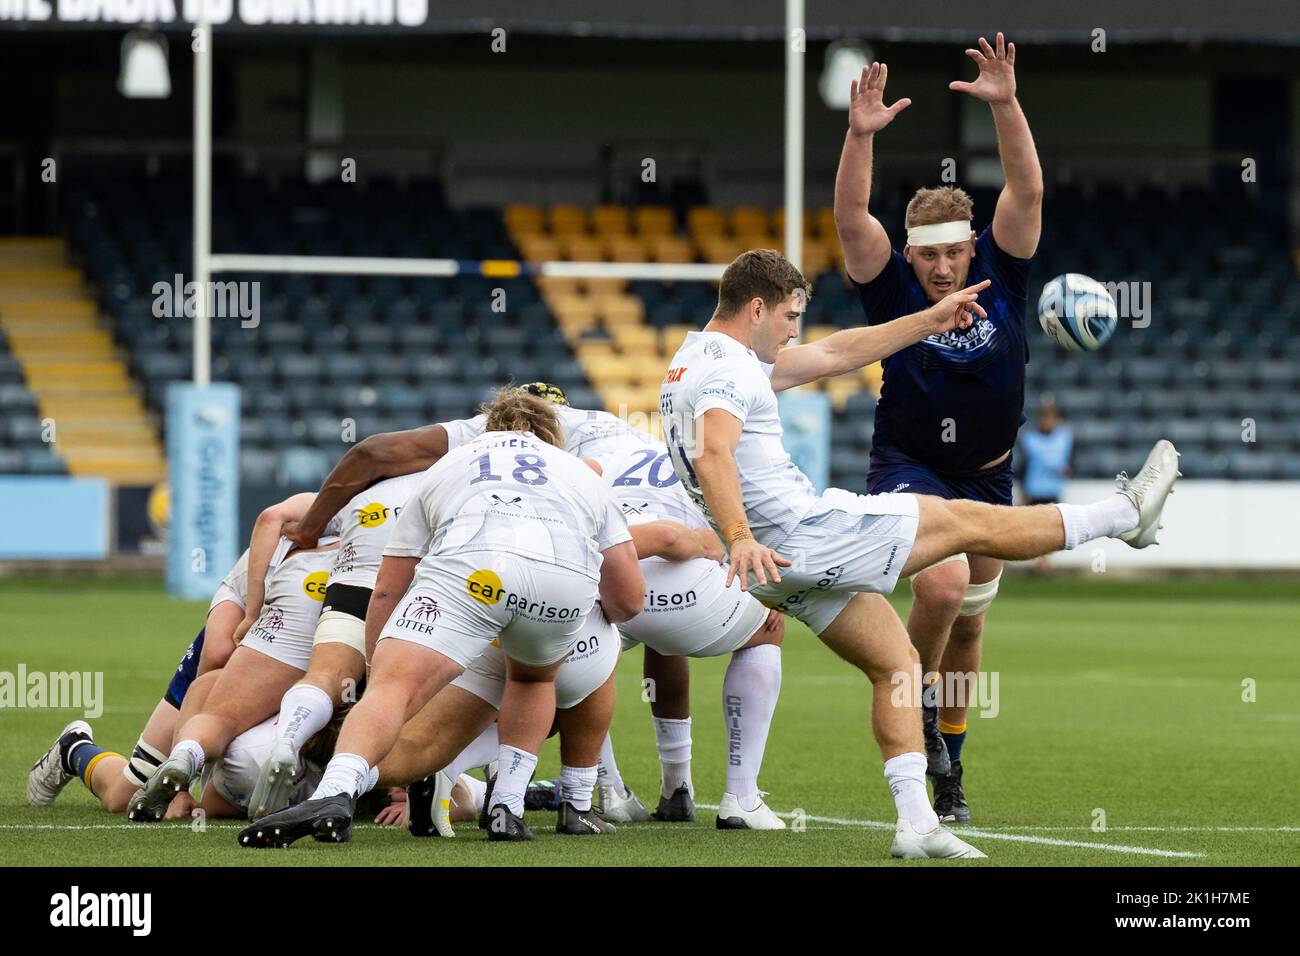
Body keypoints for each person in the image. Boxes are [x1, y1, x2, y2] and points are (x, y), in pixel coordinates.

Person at [660, 248, 1179, 859]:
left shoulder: (697, 359)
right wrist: (741, 535)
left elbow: (835, 353)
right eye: (790, 314)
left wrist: (930, 320)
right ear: (756, 308)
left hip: (778, 567)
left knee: (898, 666)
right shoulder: (733, 370)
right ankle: (1125, 516)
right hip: (802, 533)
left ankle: (915, 823)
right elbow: (714, 452)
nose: (795, 328)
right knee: (962, 520)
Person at [238, 389, 645, 847]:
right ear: (554, 439)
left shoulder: (451, 463)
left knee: (396, 689)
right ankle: (509, 807)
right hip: (560, 586)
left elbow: (390, 583)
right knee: (534, 680)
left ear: (488, 430)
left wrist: (379, 667)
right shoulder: (582, 473)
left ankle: (334, 793)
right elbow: (630, 600)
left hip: (472, 572)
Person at [833, 37, 1046, 820]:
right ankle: (918, 707)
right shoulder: (891, 285)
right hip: (909, 464)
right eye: (934, 259)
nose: (946, 269)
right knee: (945, 585)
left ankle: (949, 755)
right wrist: (861, 135)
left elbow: (1026, 187)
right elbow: (852, 216)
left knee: (968, 629)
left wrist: (1005, 104)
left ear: (970, 248)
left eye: (957, 254)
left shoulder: (1005, 271)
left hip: (989, 471)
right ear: (916, 257)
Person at [26, 501, 320, 816]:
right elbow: (212, 666)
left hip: (298, 664)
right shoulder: (341, 500)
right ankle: (75, 749)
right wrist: (181, 785)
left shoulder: (371, 546)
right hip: (241, 645)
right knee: (122, 796)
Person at [588, 442, 787, 828]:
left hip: (614, 580)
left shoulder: (611, 454)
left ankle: (608, 789)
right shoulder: (722, 452)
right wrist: (778, 595)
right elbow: (768, 522)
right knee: (766, 631)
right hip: (691, 586)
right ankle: (734, 797)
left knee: (591, 661)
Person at [126, 539, 341, 821]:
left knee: (217, 697)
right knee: (124, 791)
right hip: (260, 630)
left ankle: (188, 757)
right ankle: (76, 751)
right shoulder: (363, 532)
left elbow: (272, 517)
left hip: (266, 631)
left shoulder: (311, 523)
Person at [1018, 397, 1073, 575]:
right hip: (1034, 489)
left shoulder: (1064, 438)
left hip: (1053, 489)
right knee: (1035, 528)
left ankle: (1044, 562)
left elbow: (1071, 462)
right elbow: (1023, 466)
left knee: (1051, 529)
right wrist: (1023, 488)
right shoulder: (1029, 440)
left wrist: (1068, 470)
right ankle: (1041, 562)